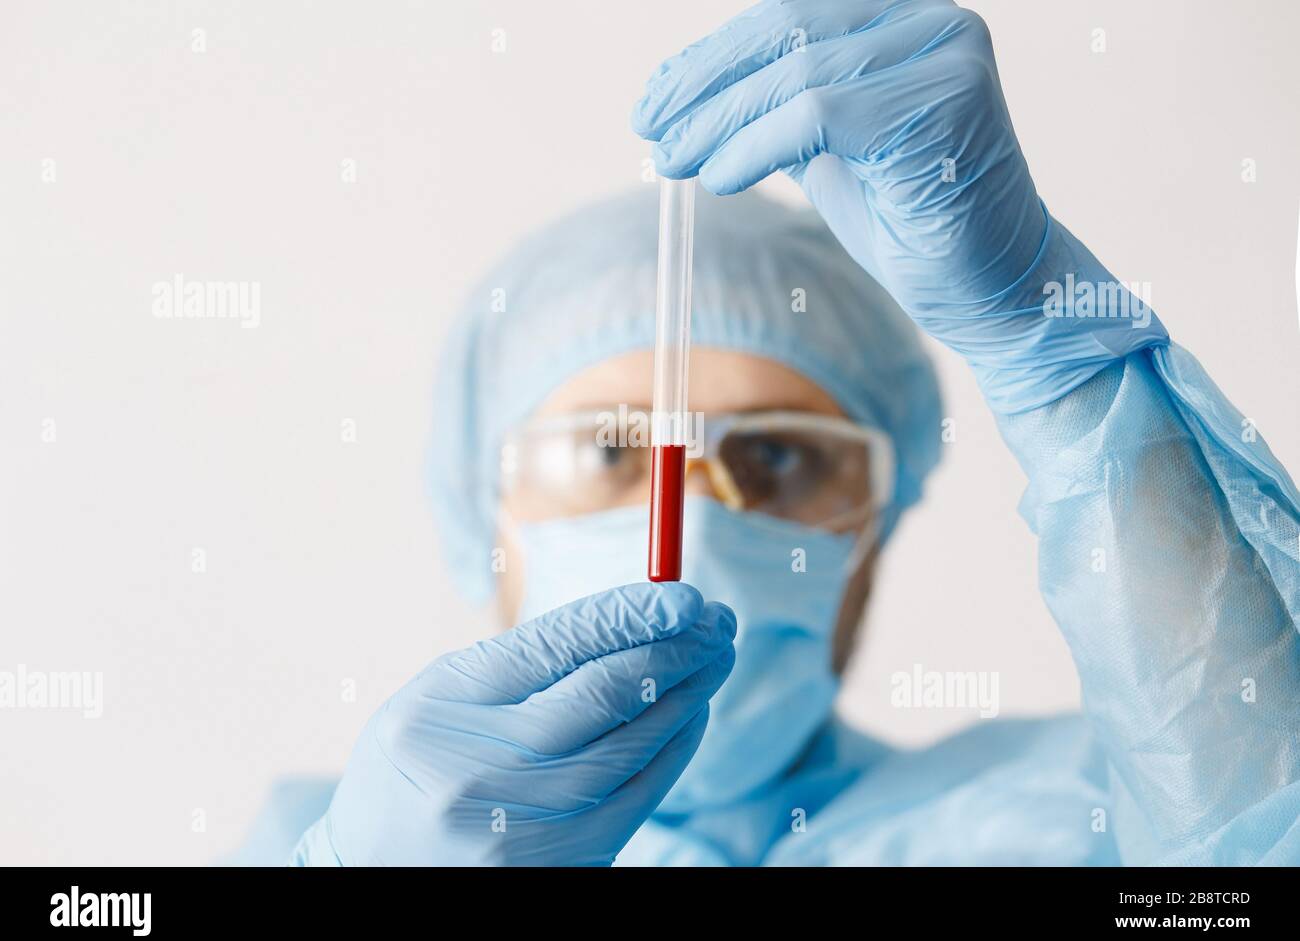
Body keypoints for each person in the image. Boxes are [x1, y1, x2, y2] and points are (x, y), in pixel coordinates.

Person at [232, 0, 1300, 866]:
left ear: (878, 522)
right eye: (611, 450)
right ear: (478, 506)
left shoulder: (1069, 823)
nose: (690, 525)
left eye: (778, 454)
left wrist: (1044, 348)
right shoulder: (329, 844)